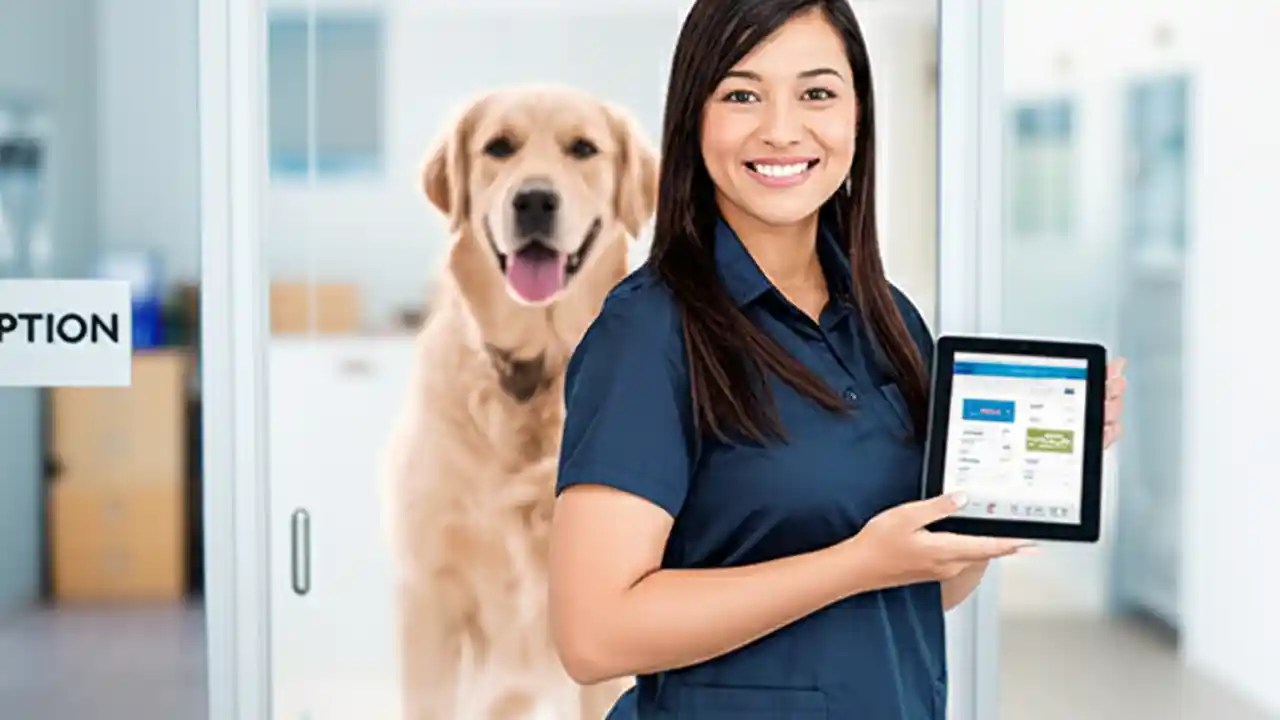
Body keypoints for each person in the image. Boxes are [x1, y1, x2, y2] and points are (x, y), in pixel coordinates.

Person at [548, 1, 1128, 718]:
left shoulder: (888, 320)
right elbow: (595, 635)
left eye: (817, 93)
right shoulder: (650, 333)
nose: (782, 129)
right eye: (741, 94)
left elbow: (925, 587)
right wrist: (854, 564)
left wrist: (1007, 484)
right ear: (693, 116)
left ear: (858, 116)